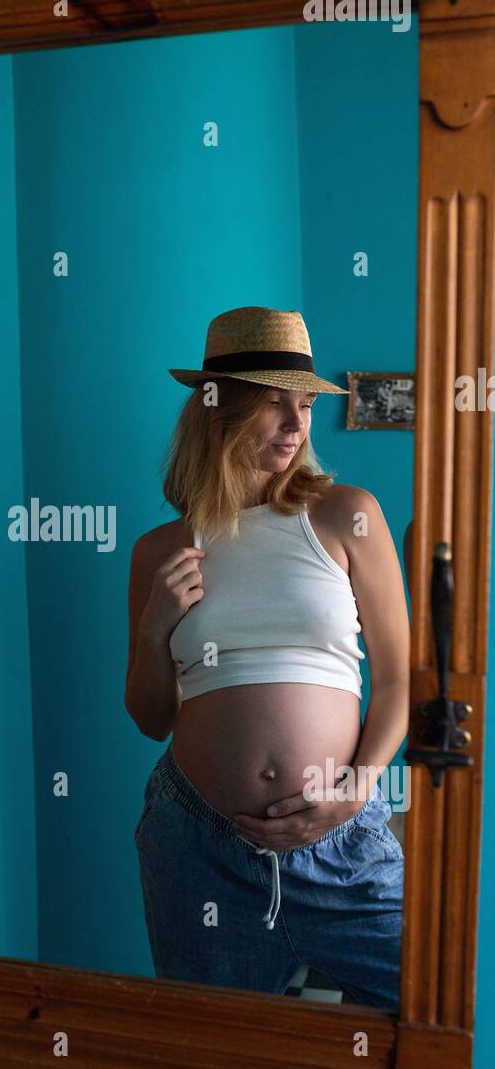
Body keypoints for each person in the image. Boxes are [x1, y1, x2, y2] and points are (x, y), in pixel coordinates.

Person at [124, 307, 409, 1010]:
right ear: (218, 408)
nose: (297, 422)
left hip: (342, 841)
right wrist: (155, 628)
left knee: (431, 1020)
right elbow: (148, 717)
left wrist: (355, 791)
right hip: (199, 850)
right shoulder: (159, 551)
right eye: (274, 402)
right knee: (211, 1058)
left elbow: (404, 679)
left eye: (306, 403)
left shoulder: (347, 516)